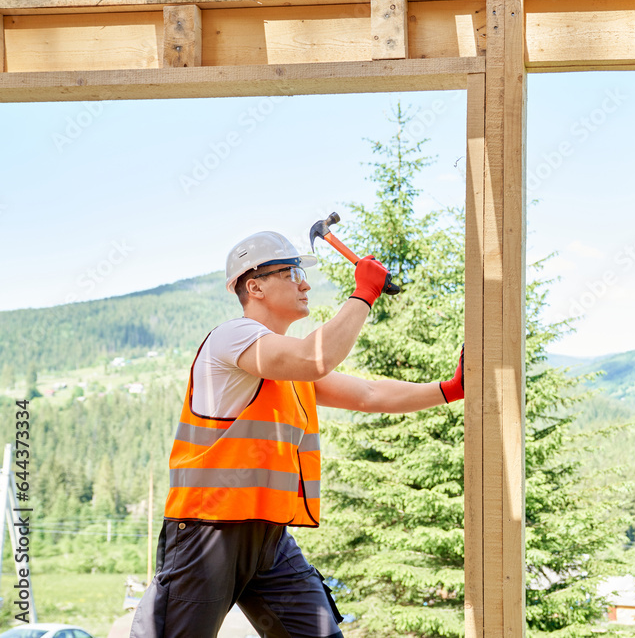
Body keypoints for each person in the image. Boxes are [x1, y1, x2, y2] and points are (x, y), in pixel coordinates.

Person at [130, 230, 464, 638]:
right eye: (291, 273)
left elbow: (369, 393)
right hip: (209, 527)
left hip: (269, 536)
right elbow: (313, 358)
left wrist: (449, 390)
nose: (304, 283)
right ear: (254, 286)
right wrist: (363, 295)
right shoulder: (233, 338)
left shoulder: (286, 366)